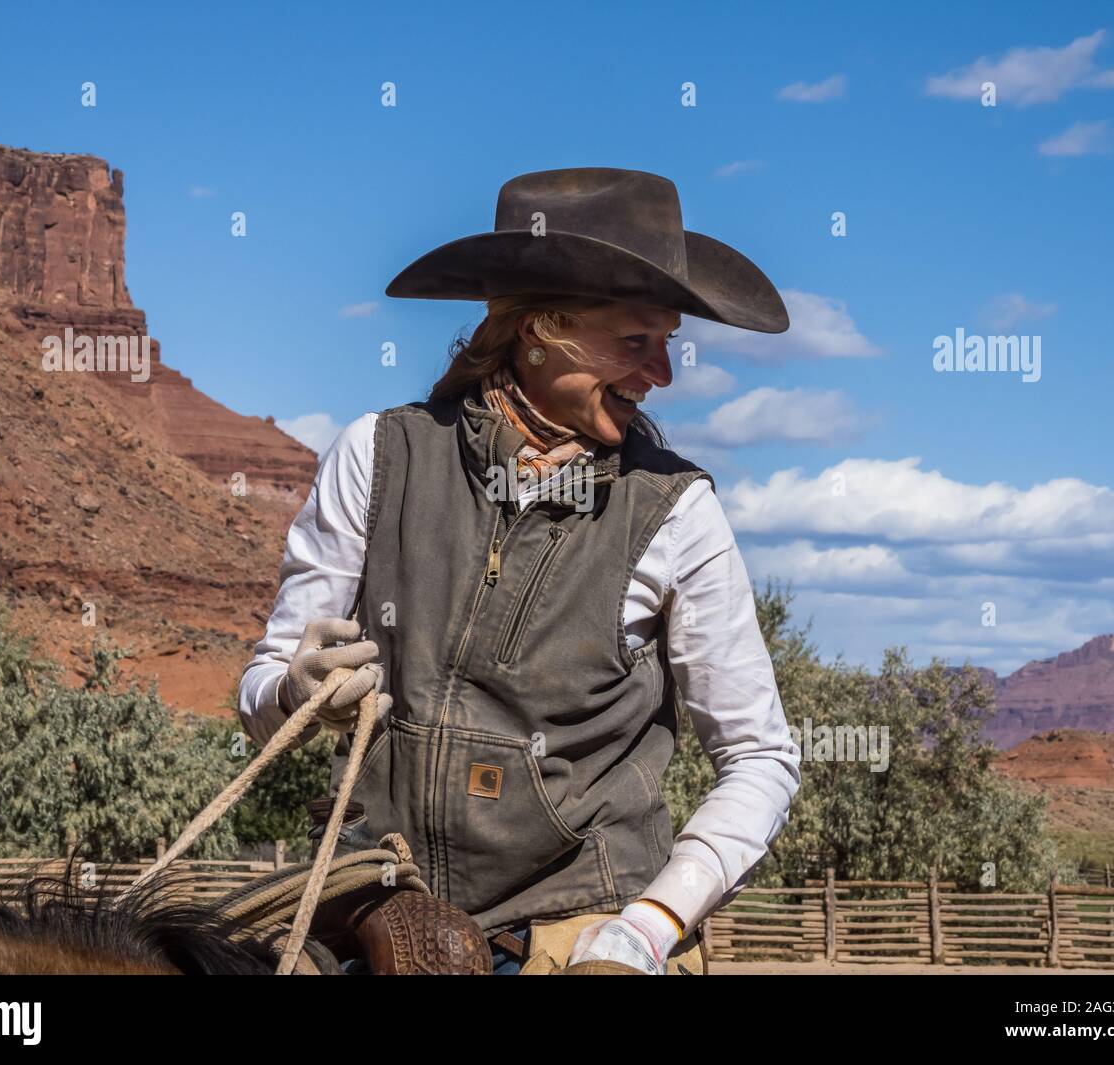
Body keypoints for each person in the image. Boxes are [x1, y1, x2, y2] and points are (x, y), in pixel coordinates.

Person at [239, 167, 801, 975]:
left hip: (580, 939)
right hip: (378, 923)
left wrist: (645, 930)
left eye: (667, 343)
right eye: (635, 342)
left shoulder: (676, 512)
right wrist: (297, 690)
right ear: (538, 330)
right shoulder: (377, 456)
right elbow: (261, 693)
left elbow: (761, 758)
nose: (663, 374)